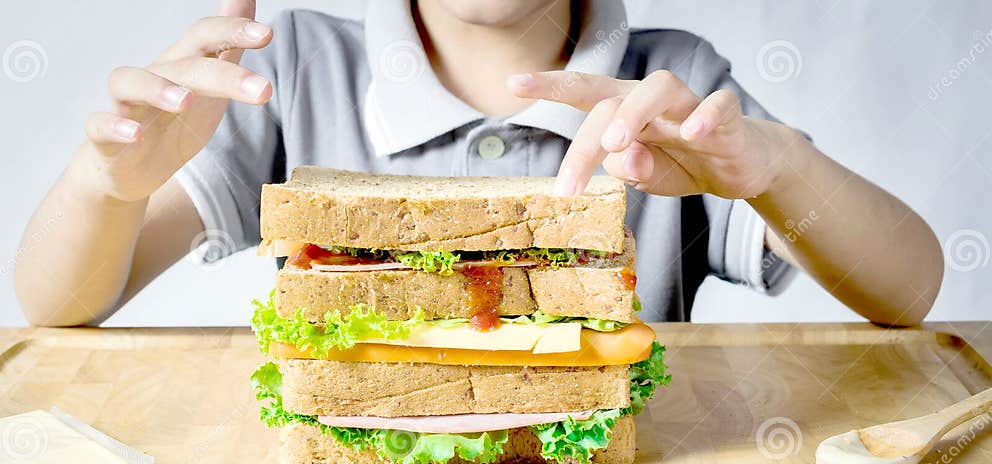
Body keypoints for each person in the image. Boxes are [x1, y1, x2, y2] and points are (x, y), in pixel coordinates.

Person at [15, 0, 943, 327]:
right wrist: (111, 185)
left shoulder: (672, 86)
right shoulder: (288, 69)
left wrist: (777, 166)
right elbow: (59, 309)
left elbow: (909, 292)